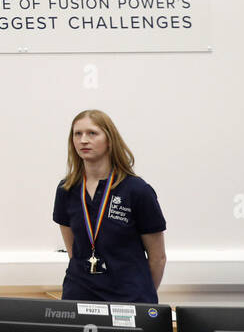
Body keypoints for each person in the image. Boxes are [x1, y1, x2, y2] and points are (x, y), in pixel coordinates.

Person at [53, 110, 166, 304]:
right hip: (79, 296)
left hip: (128, 299)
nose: (83, 140)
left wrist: (140, 293)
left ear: (109, 139)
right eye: (77, 134)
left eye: (92, 133)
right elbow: (75, 252)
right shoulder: (67, 190)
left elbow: (158, 258)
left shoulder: (137, 190)